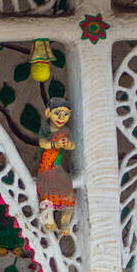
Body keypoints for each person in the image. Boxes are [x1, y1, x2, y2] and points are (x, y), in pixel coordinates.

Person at [37, 100, 76, 235]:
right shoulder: (46, 129)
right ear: (48, 113)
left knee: (67, 189)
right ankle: (48, 216)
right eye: (57, 113)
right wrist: (55, 144)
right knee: (48, 189)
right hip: (46, 167)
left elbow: (72, 146)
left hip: (56, 167)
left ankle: (65, 221)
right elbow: (43, 144)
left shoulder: (65, 131)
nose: (61, 117)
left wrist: (68, 145)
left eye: (65, 114)